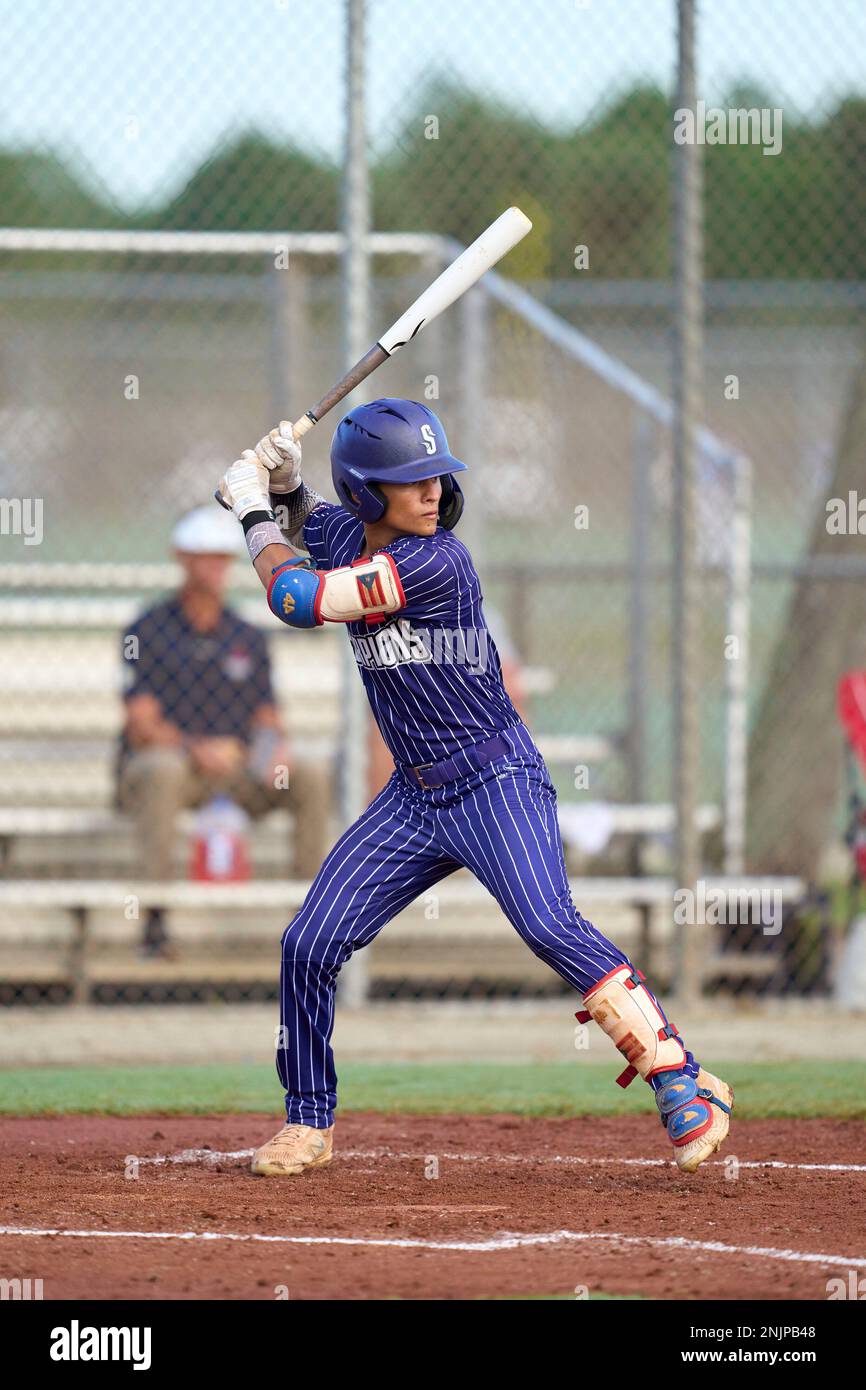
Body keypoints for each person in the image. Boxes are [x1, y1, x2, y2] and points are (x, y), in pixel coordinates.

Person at [217, 399, 733, 1177]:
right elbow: (309, 525)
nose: (432, 492)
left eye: (435, 476)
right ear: (365, 493)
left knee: (548, 924)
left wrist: (252, 509)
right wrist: (285, 486)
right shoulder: (349, 534)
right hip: (413, 798)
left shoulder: (436, 562)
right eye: (409, 480)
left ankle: (679, 1075)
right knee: (308, 944)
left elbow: (299, 598)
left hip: (495, 778)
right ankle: (307, 1119)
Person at [117, 505, 331, 956]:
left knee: (308, 775)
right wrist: (197, 749)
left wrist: (274, 752)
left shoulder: (247, 635)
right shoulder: (148, 630)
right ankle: (155, 925)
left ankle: (309, 926)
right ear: (182, 558)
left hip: (237, 772)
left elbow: (268, 718)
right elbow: (141, 724)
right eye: (204, 556)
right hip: (179, 771)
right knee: (162, 771)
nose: (215, 567)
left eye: (222, 557)